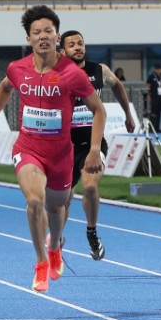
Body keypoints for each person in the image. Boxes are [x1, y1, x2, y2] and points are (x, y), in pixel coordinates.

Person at [0, 6, 105, 293]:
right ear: (29, 38)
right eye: (37, 32)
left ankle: (55, 246)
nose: (43, 36)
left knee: (57, 208)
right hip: (28, 148)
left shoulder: (72, 73)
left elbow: (99, 111)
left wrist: (95, 149)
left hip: (61, 153)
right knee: (34, 201)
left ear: (57, 37)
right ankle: (41, 263)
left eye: (49, 31)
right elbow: (5, 88)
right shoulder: (17, 68)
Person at [58, 30, 135, 261]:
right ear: (63, 51)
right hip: (65, 146)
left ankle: (92, 233)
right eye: (72, 44)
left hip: (93, 144)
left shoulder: (99, 70)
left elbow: (117, 85)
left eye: (80, 43)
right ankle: (57, 238)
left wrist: (128, 114)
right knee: (64, 199)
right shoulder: (56, 74)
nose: (78, 47)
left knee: (90, 186)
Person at [147, 63, 161, 133]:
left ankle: (157, 128)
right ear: (154, 69)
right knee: (153, 113)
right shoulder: (151, 77)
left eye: (159, 69)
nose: (158, 70)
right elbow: (148, 87)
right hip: (154, 97)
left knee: (159, 112)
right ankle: (152, 128)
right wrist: (149, 96)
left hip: (160, 97)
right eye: (157, 69)